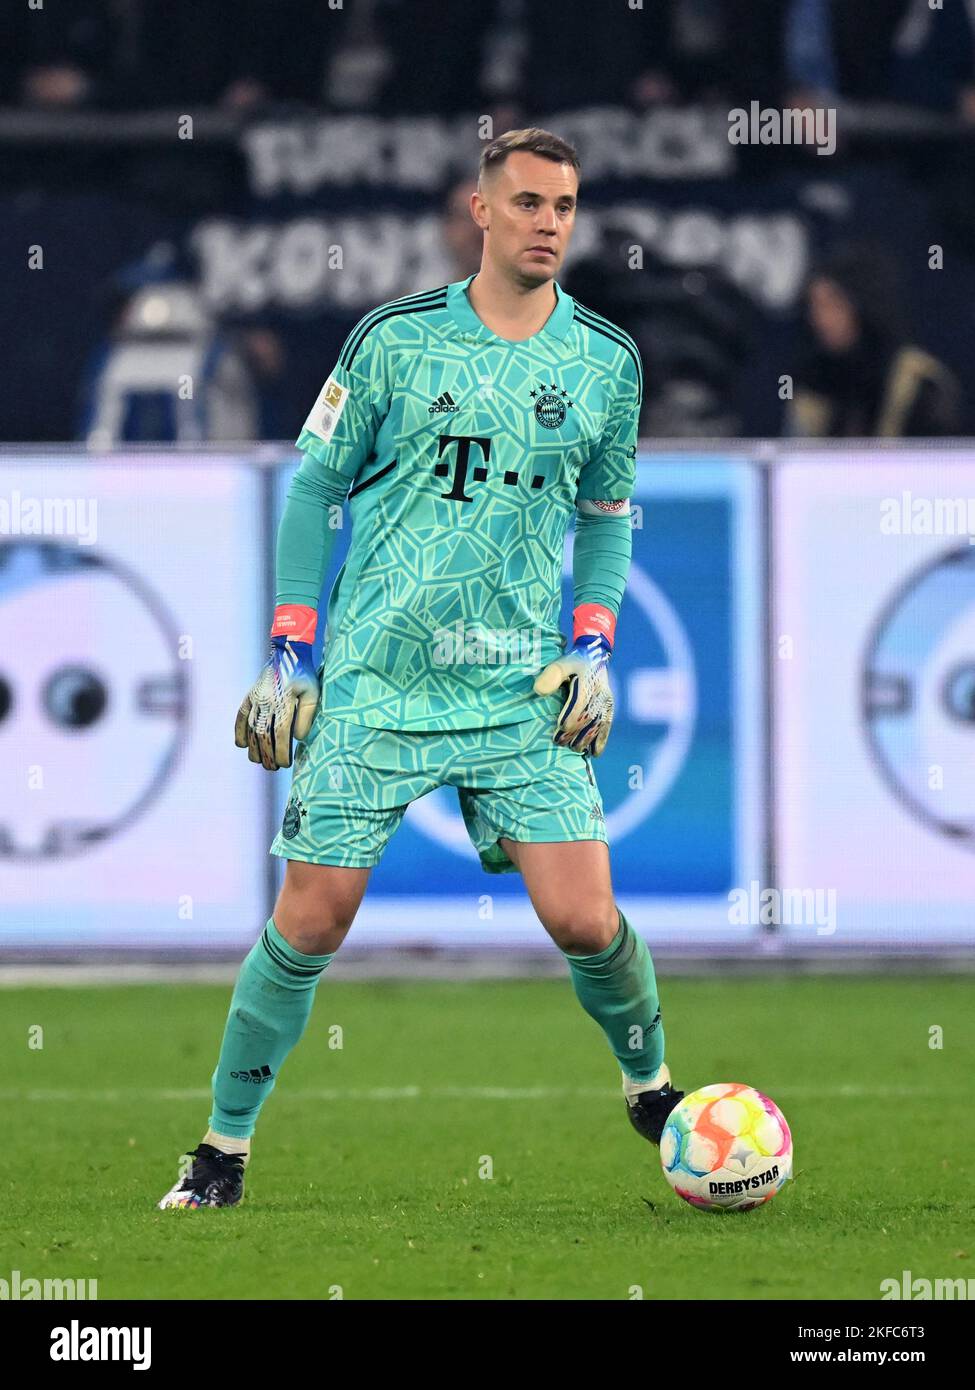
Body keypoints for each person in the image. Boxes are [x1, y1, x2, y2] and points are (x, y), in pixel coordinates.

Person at [157, 128, 684, 1210]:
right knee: (314, 916)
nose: (548, 224)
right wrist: (293, 646)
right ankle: (220, 1150)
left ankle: (654, 1085)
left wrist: (593, 640)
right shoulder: (392, 341)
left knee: (585, 917)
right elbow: (314, 491)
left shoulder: (606, 363)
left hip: (514, 686)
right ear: (480, 212)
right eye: (529, 203)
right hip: (380, 683)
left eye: (565, 207)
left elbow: (606, 518)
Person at [788, 245, 962, 438]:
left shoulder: (917, 381)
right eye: (814, 306)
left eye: (833, 304)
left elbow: (939, 460)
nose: (820, 319)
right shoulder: (813, 379)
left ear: (863, 305)